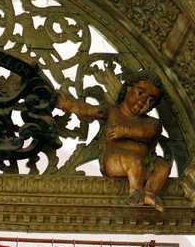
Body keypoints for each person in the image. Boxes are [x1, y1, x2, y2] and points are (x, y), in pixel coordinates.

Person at [56, 72, 170, 212]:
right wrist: (68, 104)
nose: (142, 101)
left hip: (147, 163)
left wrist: (125, 131)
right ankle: (136, 191)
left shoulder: (152, 123)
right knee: (134, 161)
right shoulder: (112, 113)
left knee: (163, 166)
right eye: (140, 93)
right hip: (115, 159)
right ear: (128, 88)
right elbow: (88, 110)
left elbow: (147, 133)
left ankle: (149, 192)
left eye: (150, 100)